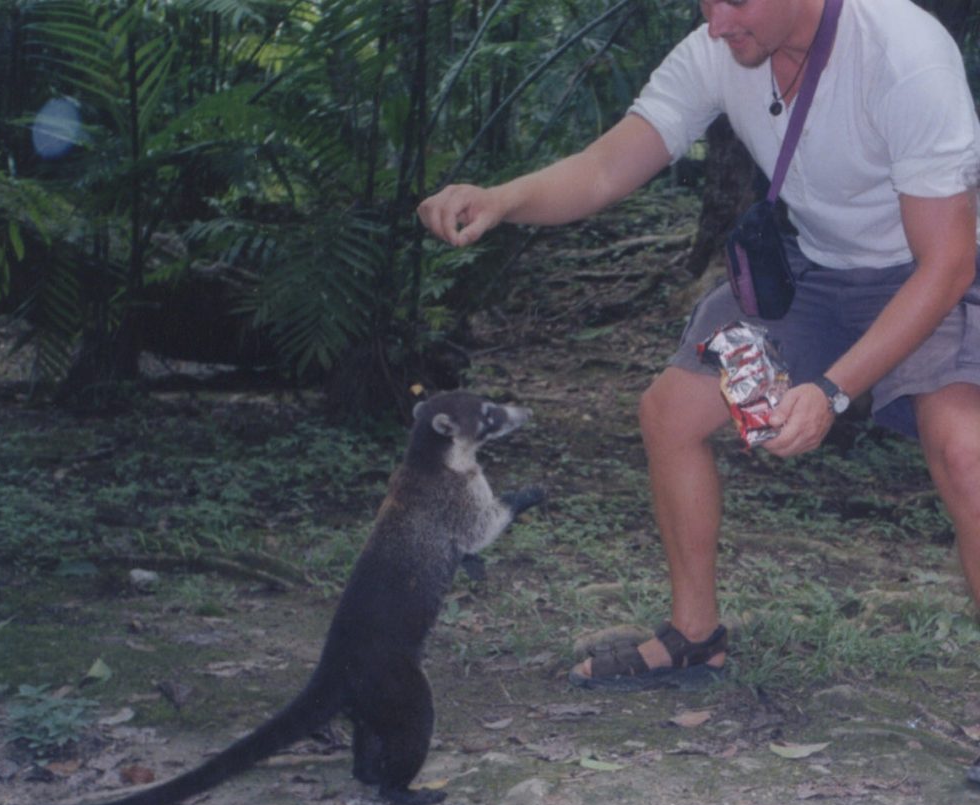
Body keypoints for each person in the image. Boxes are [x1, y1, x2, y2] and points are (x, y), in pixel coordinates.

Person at [417, 0, 980, 693]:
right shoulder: (720, 49)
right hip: (811, 272)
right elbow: (603, 169)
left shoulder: (902, 53)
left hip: (931, 271)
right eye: (706, 1)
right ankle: (694, 636)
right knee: (671, 411)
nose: (716, 22)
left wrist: (831, 390)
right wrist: (501, 198)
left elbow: (947, 263)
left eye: (734, 1)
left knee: (965, 449)